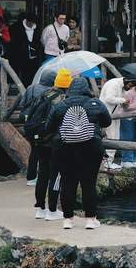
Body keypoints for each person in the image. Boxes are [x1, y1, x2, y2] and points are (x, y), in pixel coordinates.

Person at [45, 69, 111, 230]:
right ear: (86, 88)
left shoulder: (61, 105)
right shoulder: (95, 103)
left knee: (68, 183)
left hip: (65, 148)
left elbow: (49, 126)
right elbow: (107, 122)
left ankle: (68, 220)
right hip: (91, 147)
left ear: (70, 88)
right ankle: (90, 220)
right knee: (89, 183)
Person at [18, 69, 67, 218]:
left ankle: (40, 209)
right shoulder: (61, 99)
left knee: (43, 173)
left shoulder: (41, 94)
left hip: (38, 139)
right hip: (52, 142)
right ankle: (52, 210)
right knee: (56, 175)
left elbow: (24, 106)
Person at [98, 72, 127, 171]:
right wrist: (123, 100)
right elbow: (109, 98)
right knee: (110, 137)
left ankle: (110, 161)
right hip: (107, 115)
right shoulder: (114, 84)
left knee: (115, 137)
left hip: (114, 115)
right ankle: (107, 162)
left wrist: (123, 102)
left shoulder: (122, 87)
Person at [8, 12, 43, 87]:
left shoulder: (37, 28)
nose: (31, 24)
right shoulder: (16, 27)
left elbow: (38, 41)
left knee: (31, 73)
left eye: (33, 23)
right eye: (30, 23)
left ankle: (29, 87)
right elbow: (13, 42)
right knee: (19, 71)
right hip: (20, 54)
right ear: (26, 20)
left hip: (33, 56)